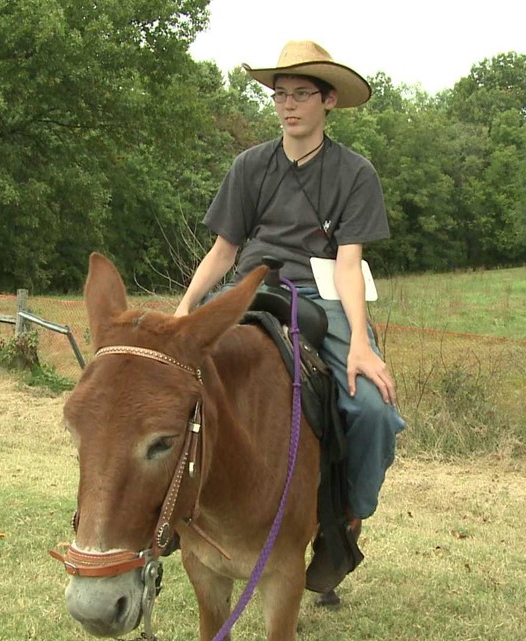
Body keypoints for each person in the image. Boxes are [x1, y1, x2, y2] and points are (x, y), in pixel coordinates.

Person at [174, 40, 406, 581]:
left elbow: (349, 265)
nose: (289, 105)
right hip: (249, 288)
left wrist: (363, 347)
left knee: (371, 408)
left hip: (322, 295)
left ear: (328, 101)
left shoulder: (355, 174)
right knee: (167, 383)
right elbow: (224, 251)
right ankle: (167, 516)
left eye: (302, 94)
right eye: (281, 94)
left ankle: (346, 517)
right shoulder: (250, 166)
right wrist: (184, 311)